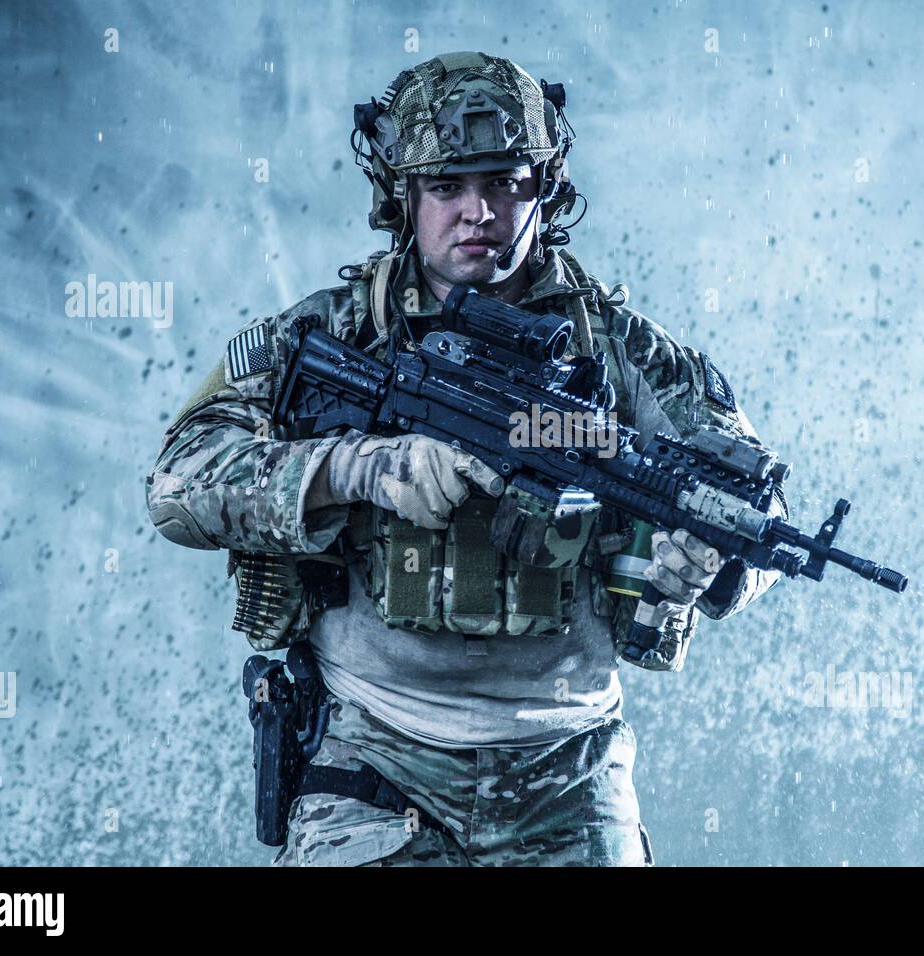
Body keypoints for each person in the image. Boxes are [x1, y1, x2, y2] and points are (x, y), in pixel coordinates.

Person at [145, 50, 788, 866]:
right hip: (378, 752)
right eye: (447, 187)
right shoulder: (332, 334)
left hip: (568, 764)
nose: (477, 212)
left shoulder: (622, 354)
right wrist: (358, 470)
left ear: (545, 186)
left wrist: (714, 564)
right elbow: (176, 482)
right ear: (402, 196)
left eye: (505, 181)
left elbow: (756, 506)